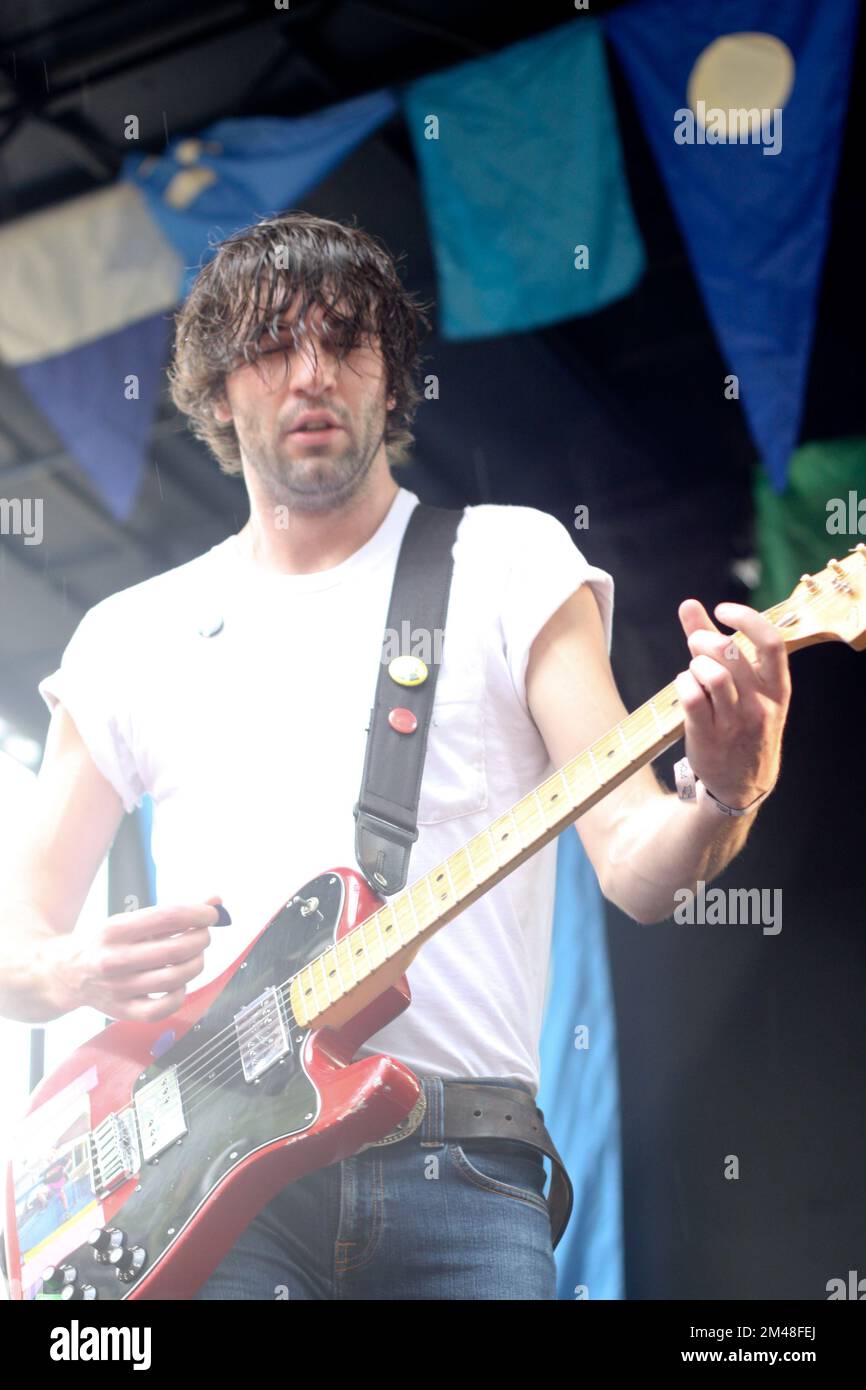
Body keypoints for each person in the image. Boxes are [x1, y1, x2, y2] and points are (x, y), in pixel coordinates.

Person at [0, 212, 791, 1300]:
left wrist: (721, 789)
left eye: (346, 341)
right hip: (213, 1191)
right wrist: (68, 969)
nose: (312, 373)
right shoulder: (131, 636)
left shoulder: (510, 560)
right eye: (274, 346)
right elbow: (17, 933)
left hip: (462, 1169)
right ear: (218, 389)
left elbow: (634, 862)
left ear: (391, 378)